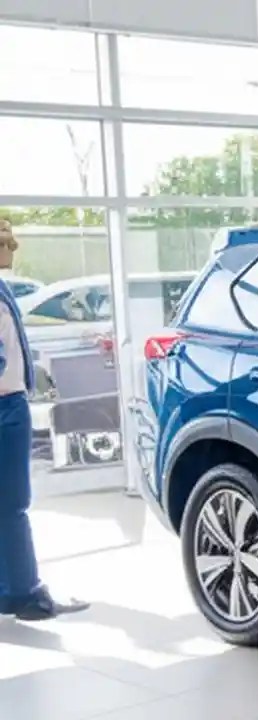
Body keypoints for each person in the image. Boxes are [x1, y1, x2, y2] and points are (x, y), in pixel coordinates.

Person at [0, 220, 90, 620]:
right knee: (13, 505)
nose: (12, 249)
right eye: (6, 242)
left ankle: (9, 593)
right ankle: (27, 595)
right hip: (6, 408)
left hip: (9, 402)